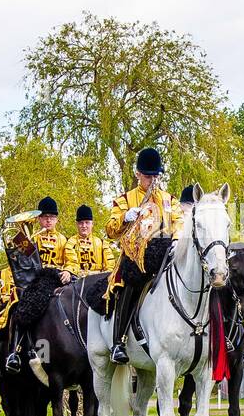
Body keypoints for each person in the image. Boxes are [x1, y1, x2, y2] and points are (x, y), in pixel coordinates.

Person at [105, 147, 183, 364]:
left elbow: (179, 221)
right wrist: (125, 217)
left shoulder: (169, 199)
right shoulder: (125, 199)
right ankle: (118, 341)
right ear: (138, 174)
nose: (153, 180)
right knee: (130, 282)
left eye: (156, 175)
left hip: (165, 252)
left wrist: (177, 238)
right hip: (136, 255)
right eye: (148, 176)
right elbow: (110, 230)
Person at [4, 196, 78, 373]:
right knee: (19, 304)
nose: (48, 220)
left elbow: (72, 261)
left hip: (56, 282)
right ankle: (15, 351)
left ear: (57, 219)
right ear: (38, 219)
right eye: (45, 217)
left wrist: (68, 271)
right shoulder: (30, 239)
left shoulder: (64, 240)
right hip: (35, 283)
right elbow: (19, 260)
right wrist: (20, 241)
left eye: (52, 217)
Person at [66, 204, 116, 274]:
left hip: (98, 280)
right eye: (81, 223)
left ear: (92, 224)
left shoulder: (102, 243)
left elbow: (110, 266)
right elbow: (70, 263)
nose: (84, 226)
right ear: (76, 224)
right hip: (76, 280)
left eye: (87, 222)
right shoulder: (71, 242)